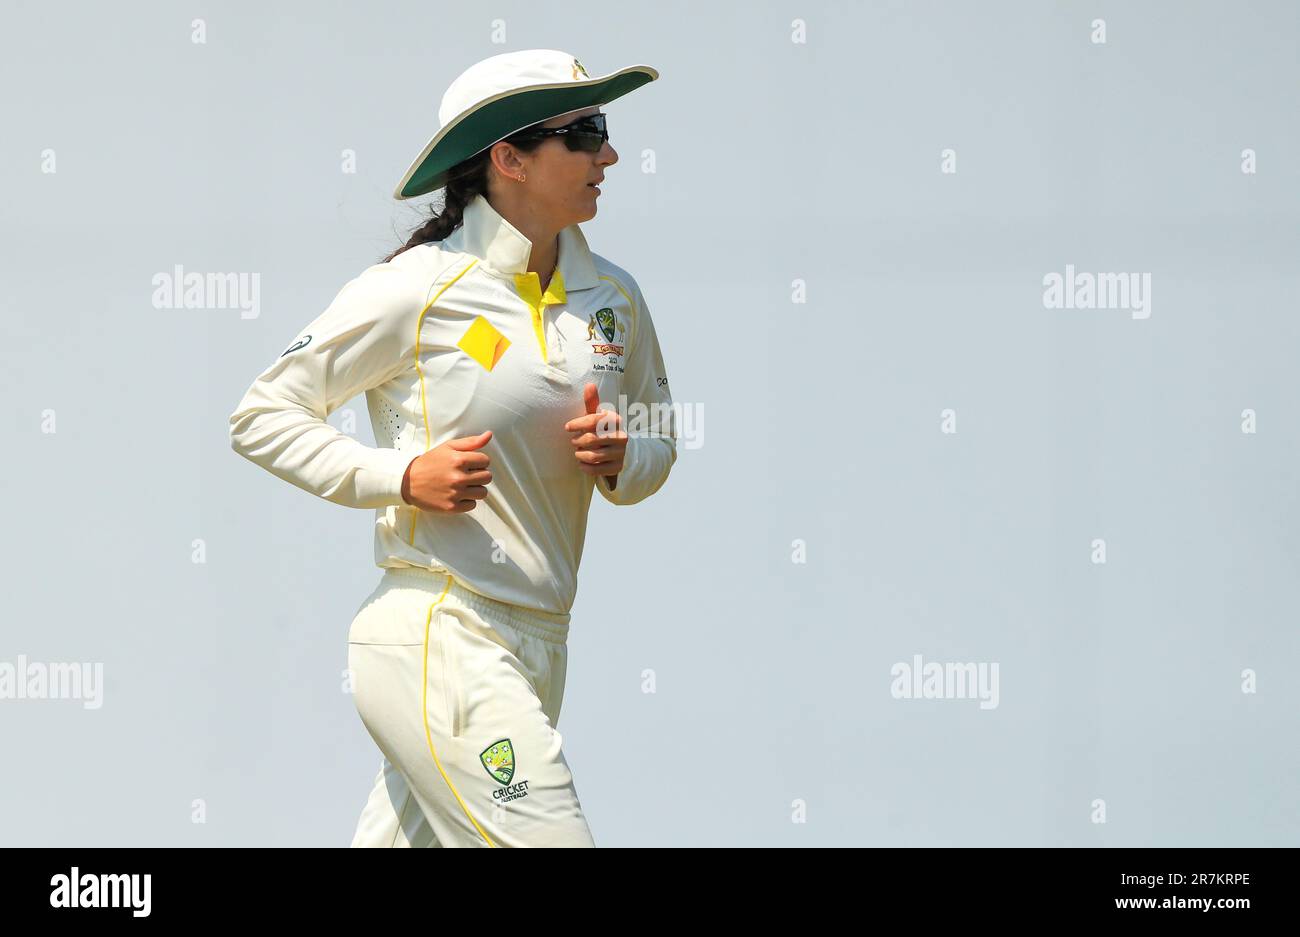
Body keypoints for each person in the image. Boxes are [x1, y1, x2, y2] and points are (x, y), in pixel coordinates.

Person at [228, 49, 675, 847]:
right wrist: (399, 474)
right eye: (586, 133)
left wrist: (621, 457)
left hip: (544, 646)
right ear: (509, 159)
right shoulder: (417, 285)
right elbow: (263, 412)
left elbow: (658, 437)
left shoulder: (615, 297)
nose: (608, 154)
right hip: (439, 631)